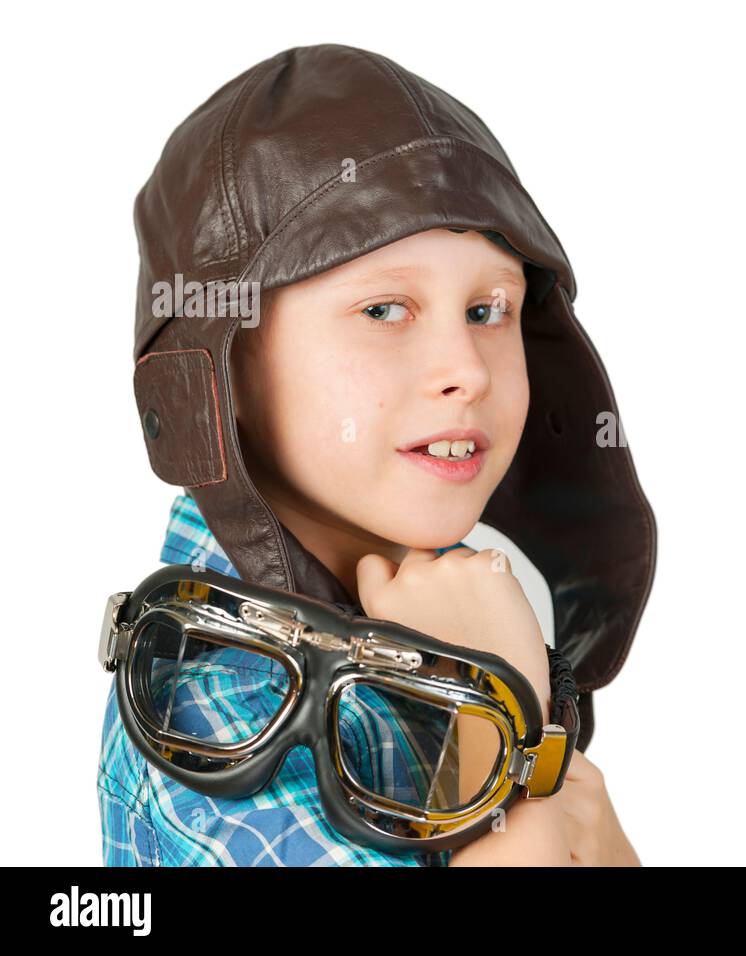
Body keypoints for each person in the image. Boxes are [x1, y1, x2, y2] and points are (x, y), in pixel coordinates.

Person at [98, 43, 656, 866]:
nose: (465, 370)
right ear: (224, 374)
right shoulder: (219, 724)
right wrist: (501, 706)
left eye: (487, 309)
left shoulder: (442, 609)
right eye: (385, 309)